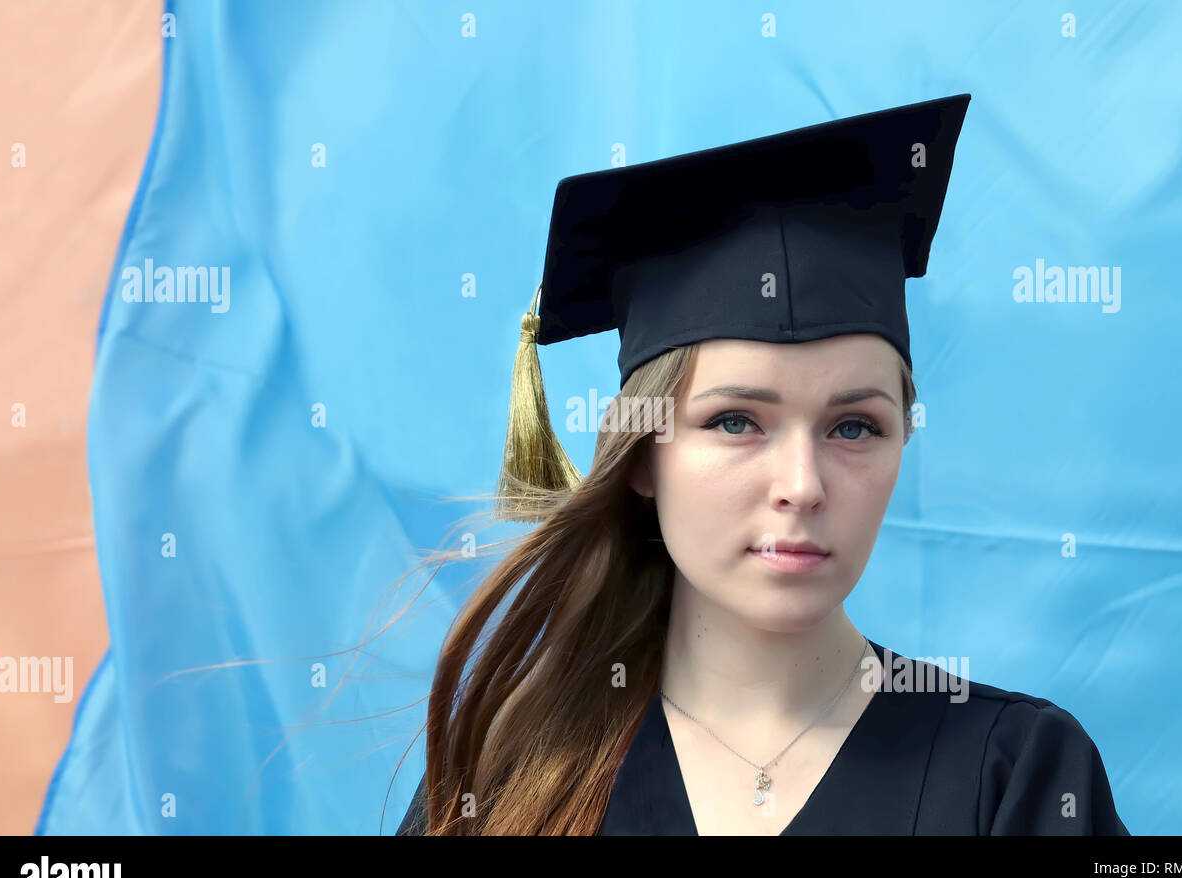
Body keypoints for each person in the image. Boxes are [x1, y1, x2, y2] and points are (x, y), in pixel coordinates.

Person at [396, 93, 1130, 835]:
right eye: (736, 421)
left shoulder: (1014, 776)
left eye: (854, 426)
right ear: (642, 457)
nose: (803, 487)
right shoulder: (506, 776)